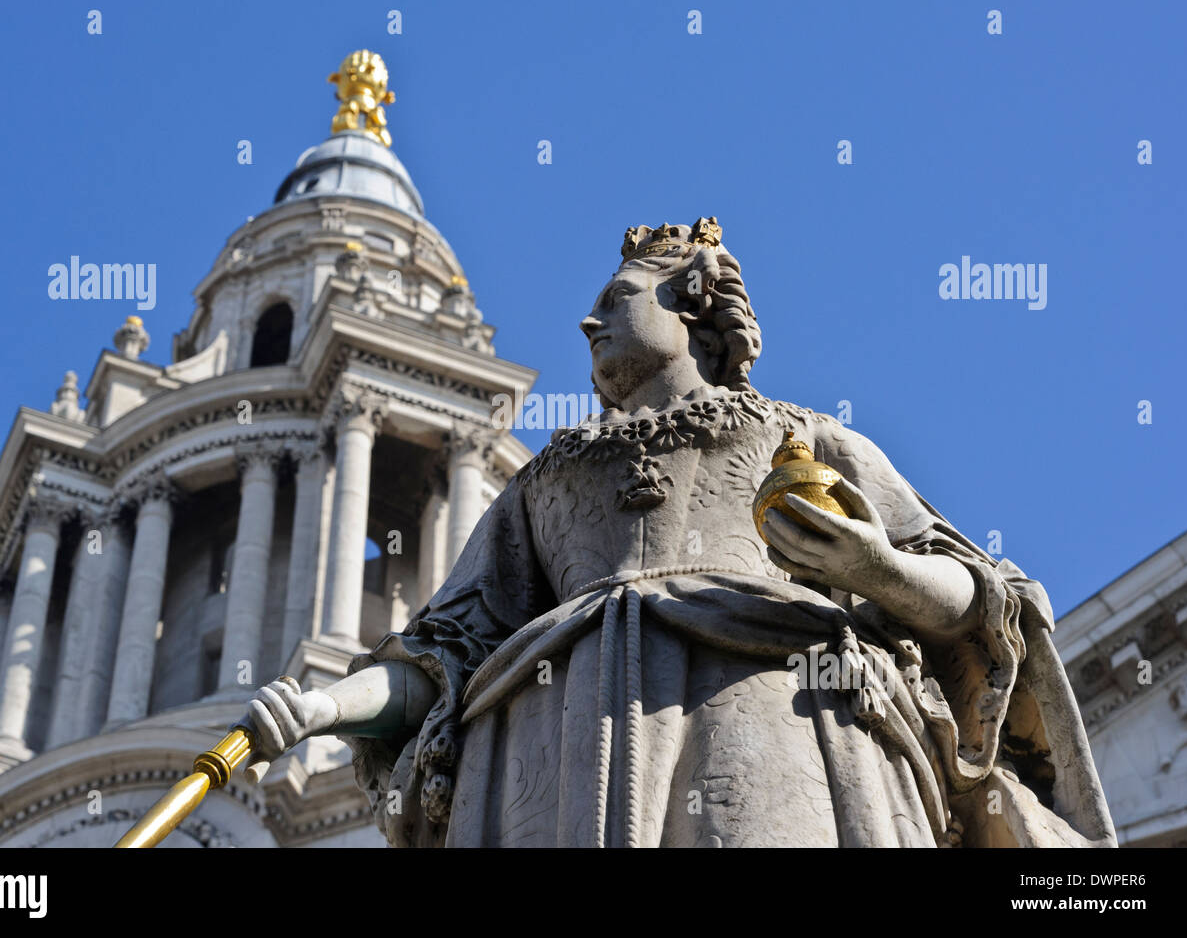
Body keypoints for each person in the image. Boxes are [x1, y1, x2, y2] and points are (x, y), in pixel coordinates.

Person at [245, 218, 1115, 848]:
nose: (589, 324)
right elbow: (440, 653)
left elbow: (979, 597)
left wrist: (875, 568)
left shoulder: (800, 436)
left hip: (780, 716)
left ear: (692, 300)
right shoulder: (545, 480)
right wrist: (323, 706)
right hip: (552, 761)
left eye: (615, 300)